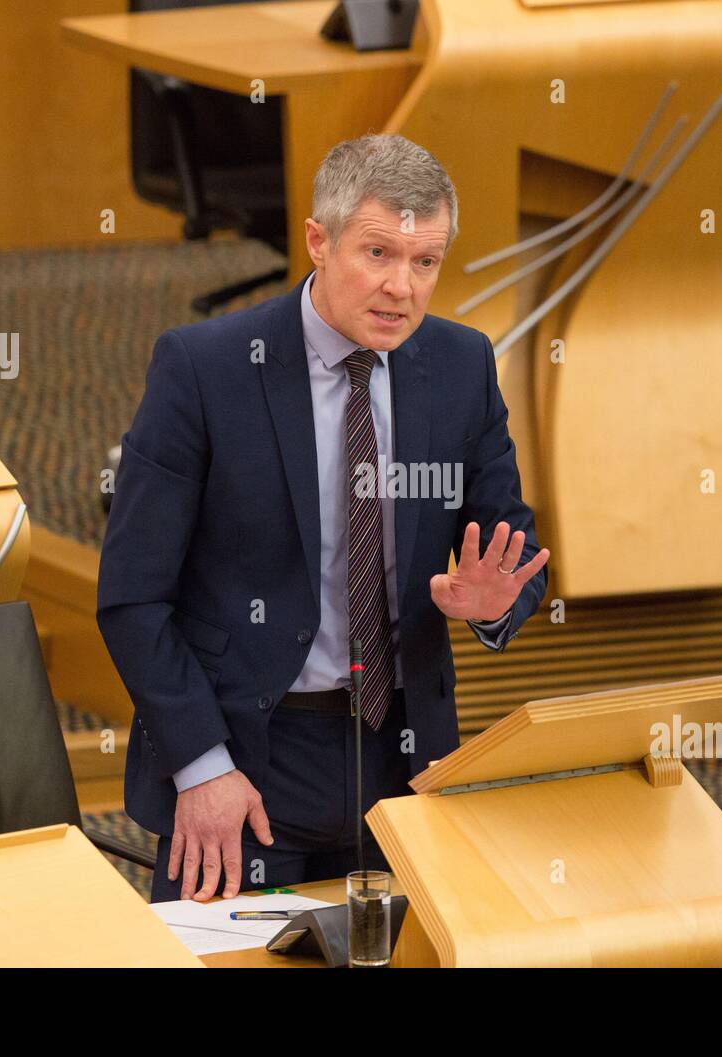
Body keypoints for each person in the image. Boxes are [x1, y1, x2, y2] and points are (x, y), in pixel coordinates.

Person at [97, 133, 549, 903]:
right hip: (243, 760)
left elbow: (513, 548)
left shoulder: (461, 365)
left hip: (401, 763)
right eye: (377, 253)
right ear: (318, 241)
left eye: (425, 262)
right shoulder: (203, 370)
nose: (401, 287)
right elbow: (134, 597)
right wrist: (202, 768)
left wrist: (495, 604)